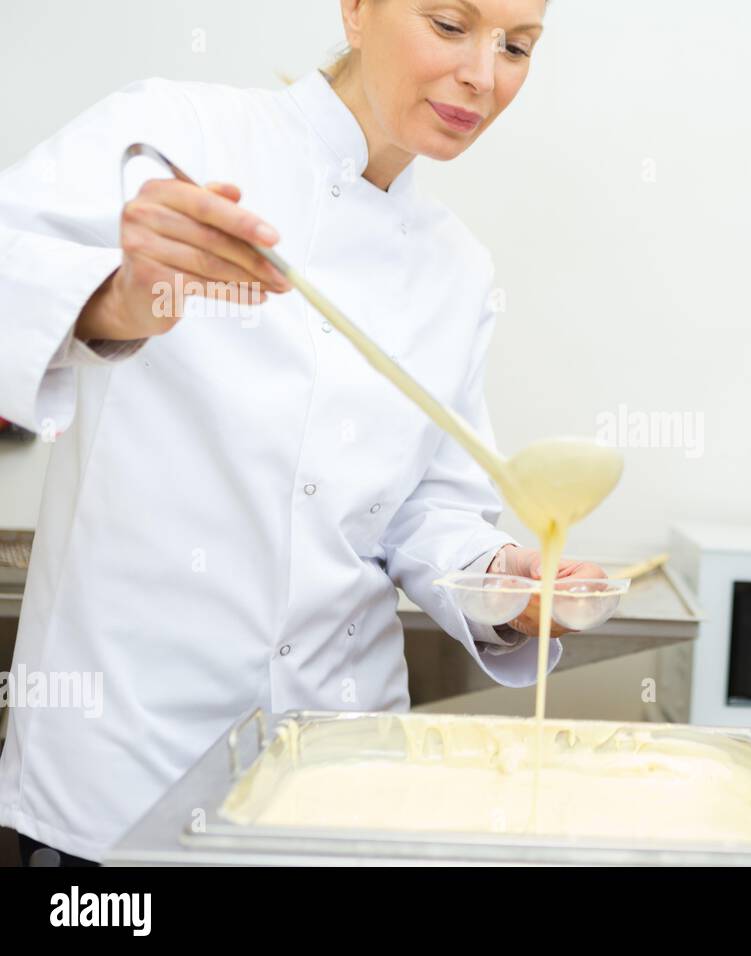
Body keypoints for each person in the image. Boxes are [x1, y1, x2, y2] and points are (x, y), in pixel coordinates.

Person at [0, 0, 603, 865]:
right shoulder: (179, 134)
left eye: (517, 45)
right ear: (357, 10)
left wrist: (506, 585)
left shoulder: (458, 268)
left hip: (341, 781)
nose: (485, 73)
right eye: (449, 25)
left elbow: (426, 513)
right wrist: (114, 299)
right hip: (121, 776)